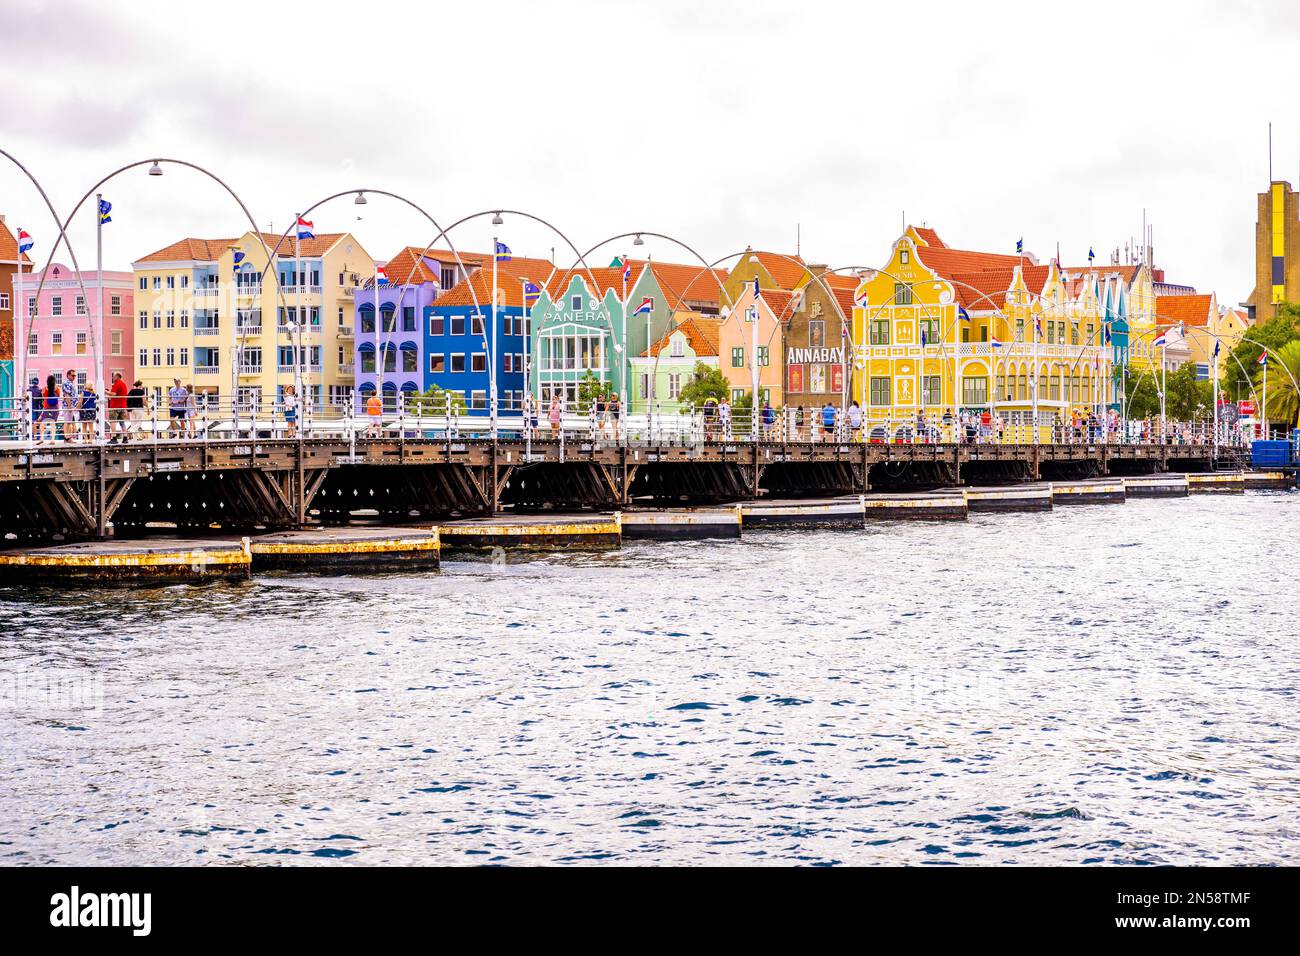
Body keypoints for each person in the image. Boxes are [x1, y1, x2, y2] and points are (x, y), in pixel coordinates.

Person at [58, 369, 82, 443]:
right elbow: (66, 395)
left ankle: (67, 438)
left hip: (70, 405)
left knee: (69, 422)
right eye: (72, 375)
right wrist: (69, 406)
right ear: (68, 375)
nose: (74, 377)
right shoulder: (66, 383)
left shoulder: (70, 383)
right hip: (68, 405)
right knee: (67, 422)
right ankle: (67, 438)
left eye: (75, 375)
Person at [107, 372, 130, 443]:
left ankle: (114, 438)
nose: (113, 378)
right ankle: (125, 437)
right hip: (122, 406)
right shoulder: (124, 384)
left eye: (113, 376)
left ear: (117, 377)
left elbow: (113, 394)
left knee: (113, 421)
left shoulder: (117, 383)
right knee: (122, 422)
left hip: (115, 406)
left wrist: (105, 392)